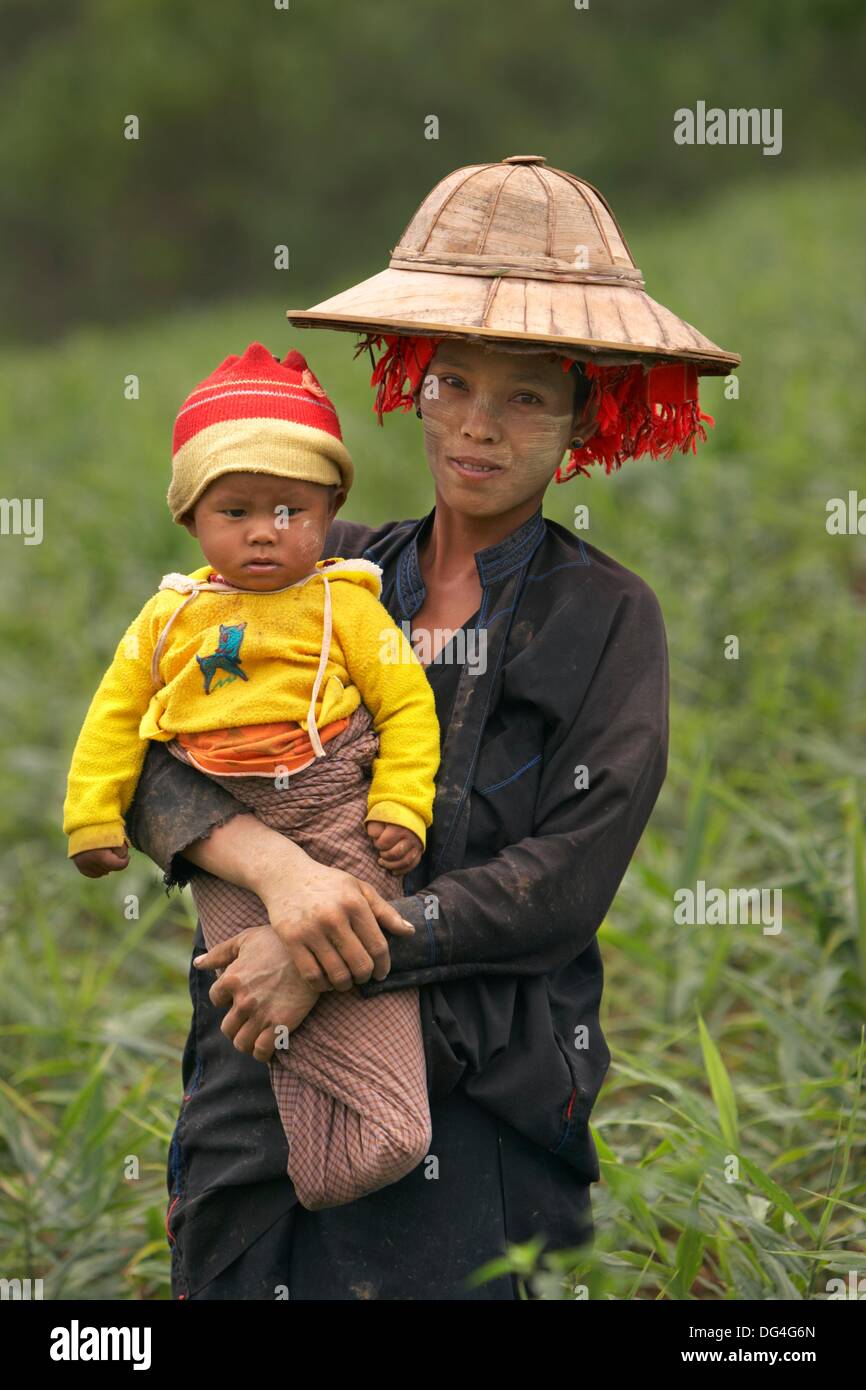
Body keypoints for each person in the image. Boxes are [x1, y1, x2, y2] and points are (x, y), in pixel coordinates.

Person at [125, 154, 740, 1300]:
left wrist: (328, 956)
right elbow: (151, 765)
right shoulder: (320, 567)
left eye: (524, 397)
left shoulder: (605, 618)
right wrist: (279, 876)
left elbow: (559, 882)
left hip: (483, 1077)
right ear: (410, 379)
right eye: (450, 383)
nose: (476, 427)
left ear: (580, 419)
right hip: (259, 1054)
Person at [62, 341, 442, 1211]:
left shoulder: (348, 600)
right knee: (260, 1005)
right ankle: (315, 1156)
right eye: (235, 512)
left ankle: (360, 1140)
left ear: (332, 509)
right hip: (232, 829)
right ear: (191, 519)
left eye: (290, 510)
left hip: (339, 814)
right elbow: (115, 723)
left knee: (354, 1007)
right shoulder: (170, 618)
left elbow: (406, 711)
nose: (265, 531)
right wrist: (93, 821)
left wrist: (399, 805)